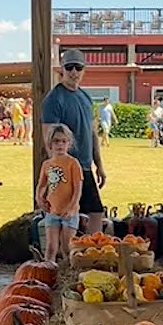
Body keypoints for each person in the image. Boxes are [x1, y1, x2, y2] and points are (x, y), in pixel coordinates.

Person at [42, 49, 107, 234]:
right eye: (69, 67)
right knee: (66, 215)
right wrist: (59, 172)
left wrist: (99, 165)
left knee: (95, 212)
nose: (74, 72)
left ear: (84, 70)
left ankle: (91, 247)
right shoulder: (54, 99)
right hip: (66, 170)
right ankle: (70, 251)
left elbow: (92, 133)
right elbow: (49, 139)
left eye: (78, 67)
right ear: (62, 69)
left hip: (85, 167)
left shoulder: (85, 98)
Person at [34, 124, 84, 264]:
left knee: (67, 247)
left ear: (69, 143)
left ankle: (68, 272)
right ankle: (47, 270)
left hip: (69, 212)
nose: (60, 145)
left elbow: (77, 189)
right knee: (50, 247)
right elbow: (42, 185)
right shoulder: (47, 164)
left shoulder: (73, 163)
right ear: (50, 143)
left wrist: (72, 207)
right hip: (53, 211)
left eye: (63, 141)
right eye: (56, 141)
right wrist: (39, 198)